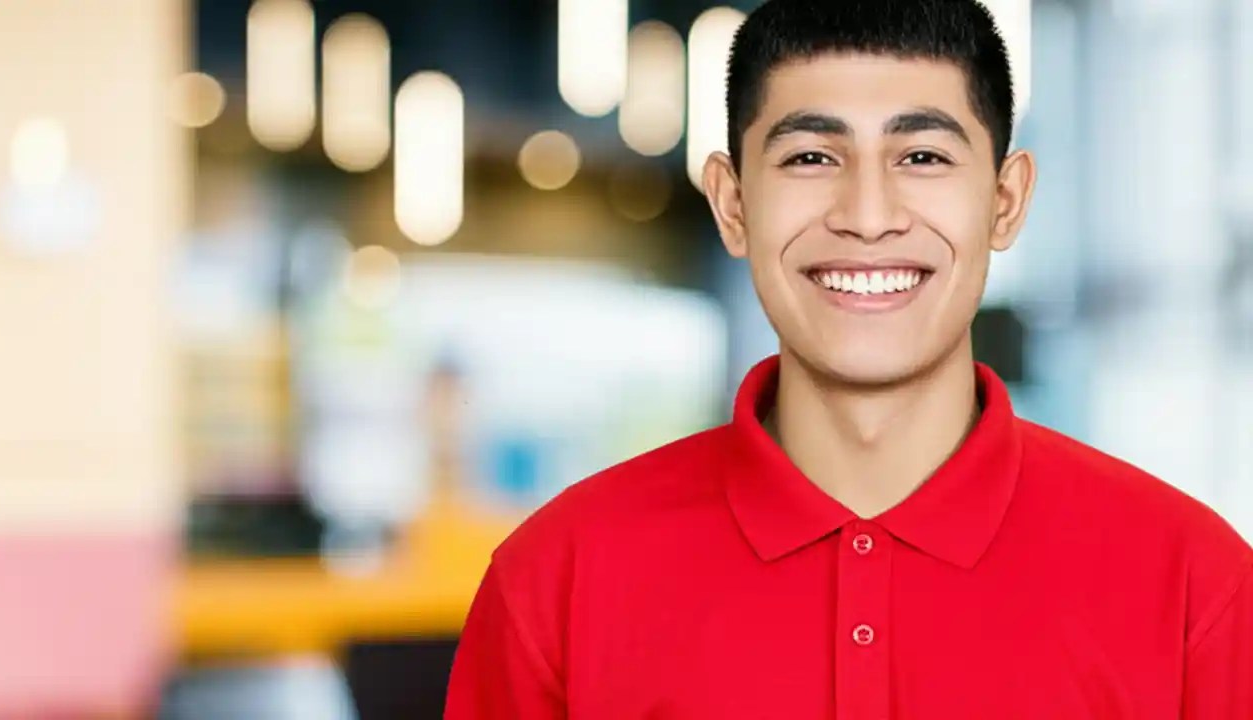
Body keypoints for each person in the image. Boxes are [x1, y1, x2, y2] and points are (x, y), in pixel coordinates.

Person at [444, 0, 1253, 716]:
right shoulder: (554, 582)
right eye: (811, 158)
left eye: (923, 157)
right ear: (733, 204)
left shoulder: (1197, 589)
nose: (867, 216)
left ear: (1004, 202)